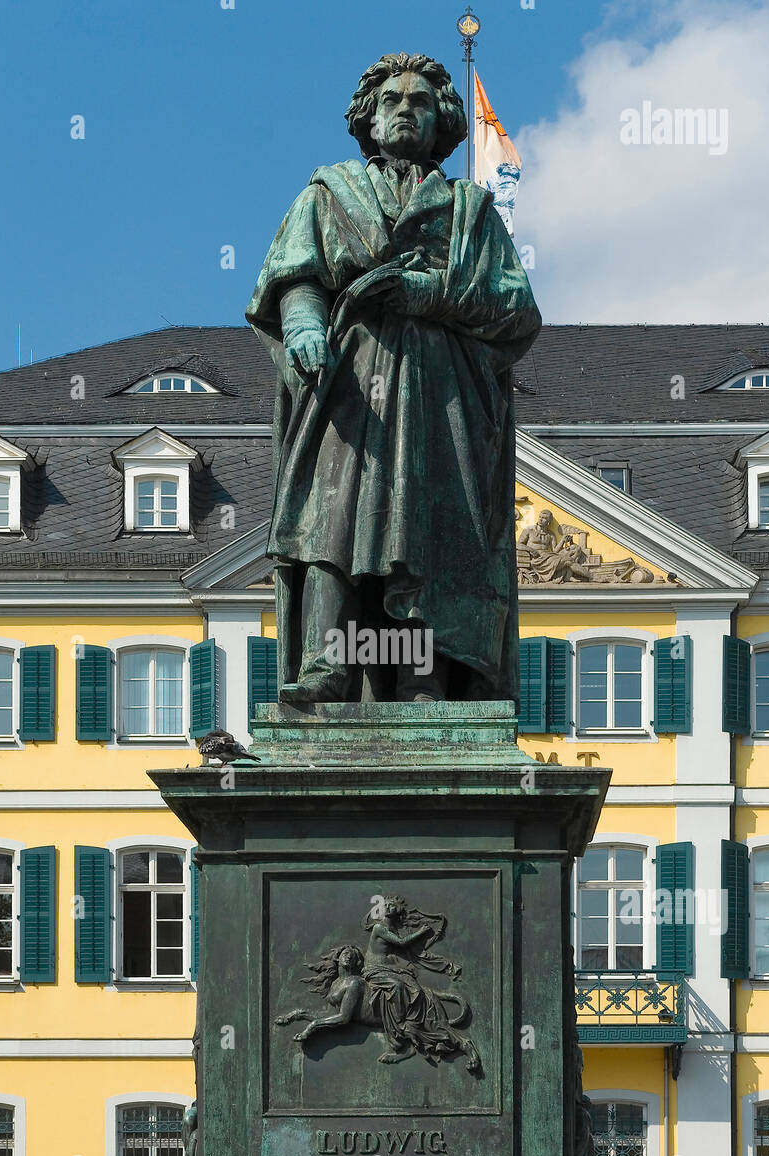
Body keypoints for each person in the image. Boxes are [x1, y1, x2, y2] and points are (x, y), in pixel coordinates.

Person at [247, 51, 541, 703]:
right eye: (391, 101)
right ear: (368, 119)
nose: (404, 110)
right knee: (332, 522)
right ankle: (329, 668)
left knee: (436, 535)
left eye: (419, 101)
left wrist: (427, 294)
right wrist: (301, 330)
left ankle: (424, 680)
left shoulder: (470, 209)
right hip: (348, 385)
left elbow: (515, 310)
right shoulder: (328, 193)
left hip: (444, 397)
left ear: (442, 120)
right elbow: (296, 278)